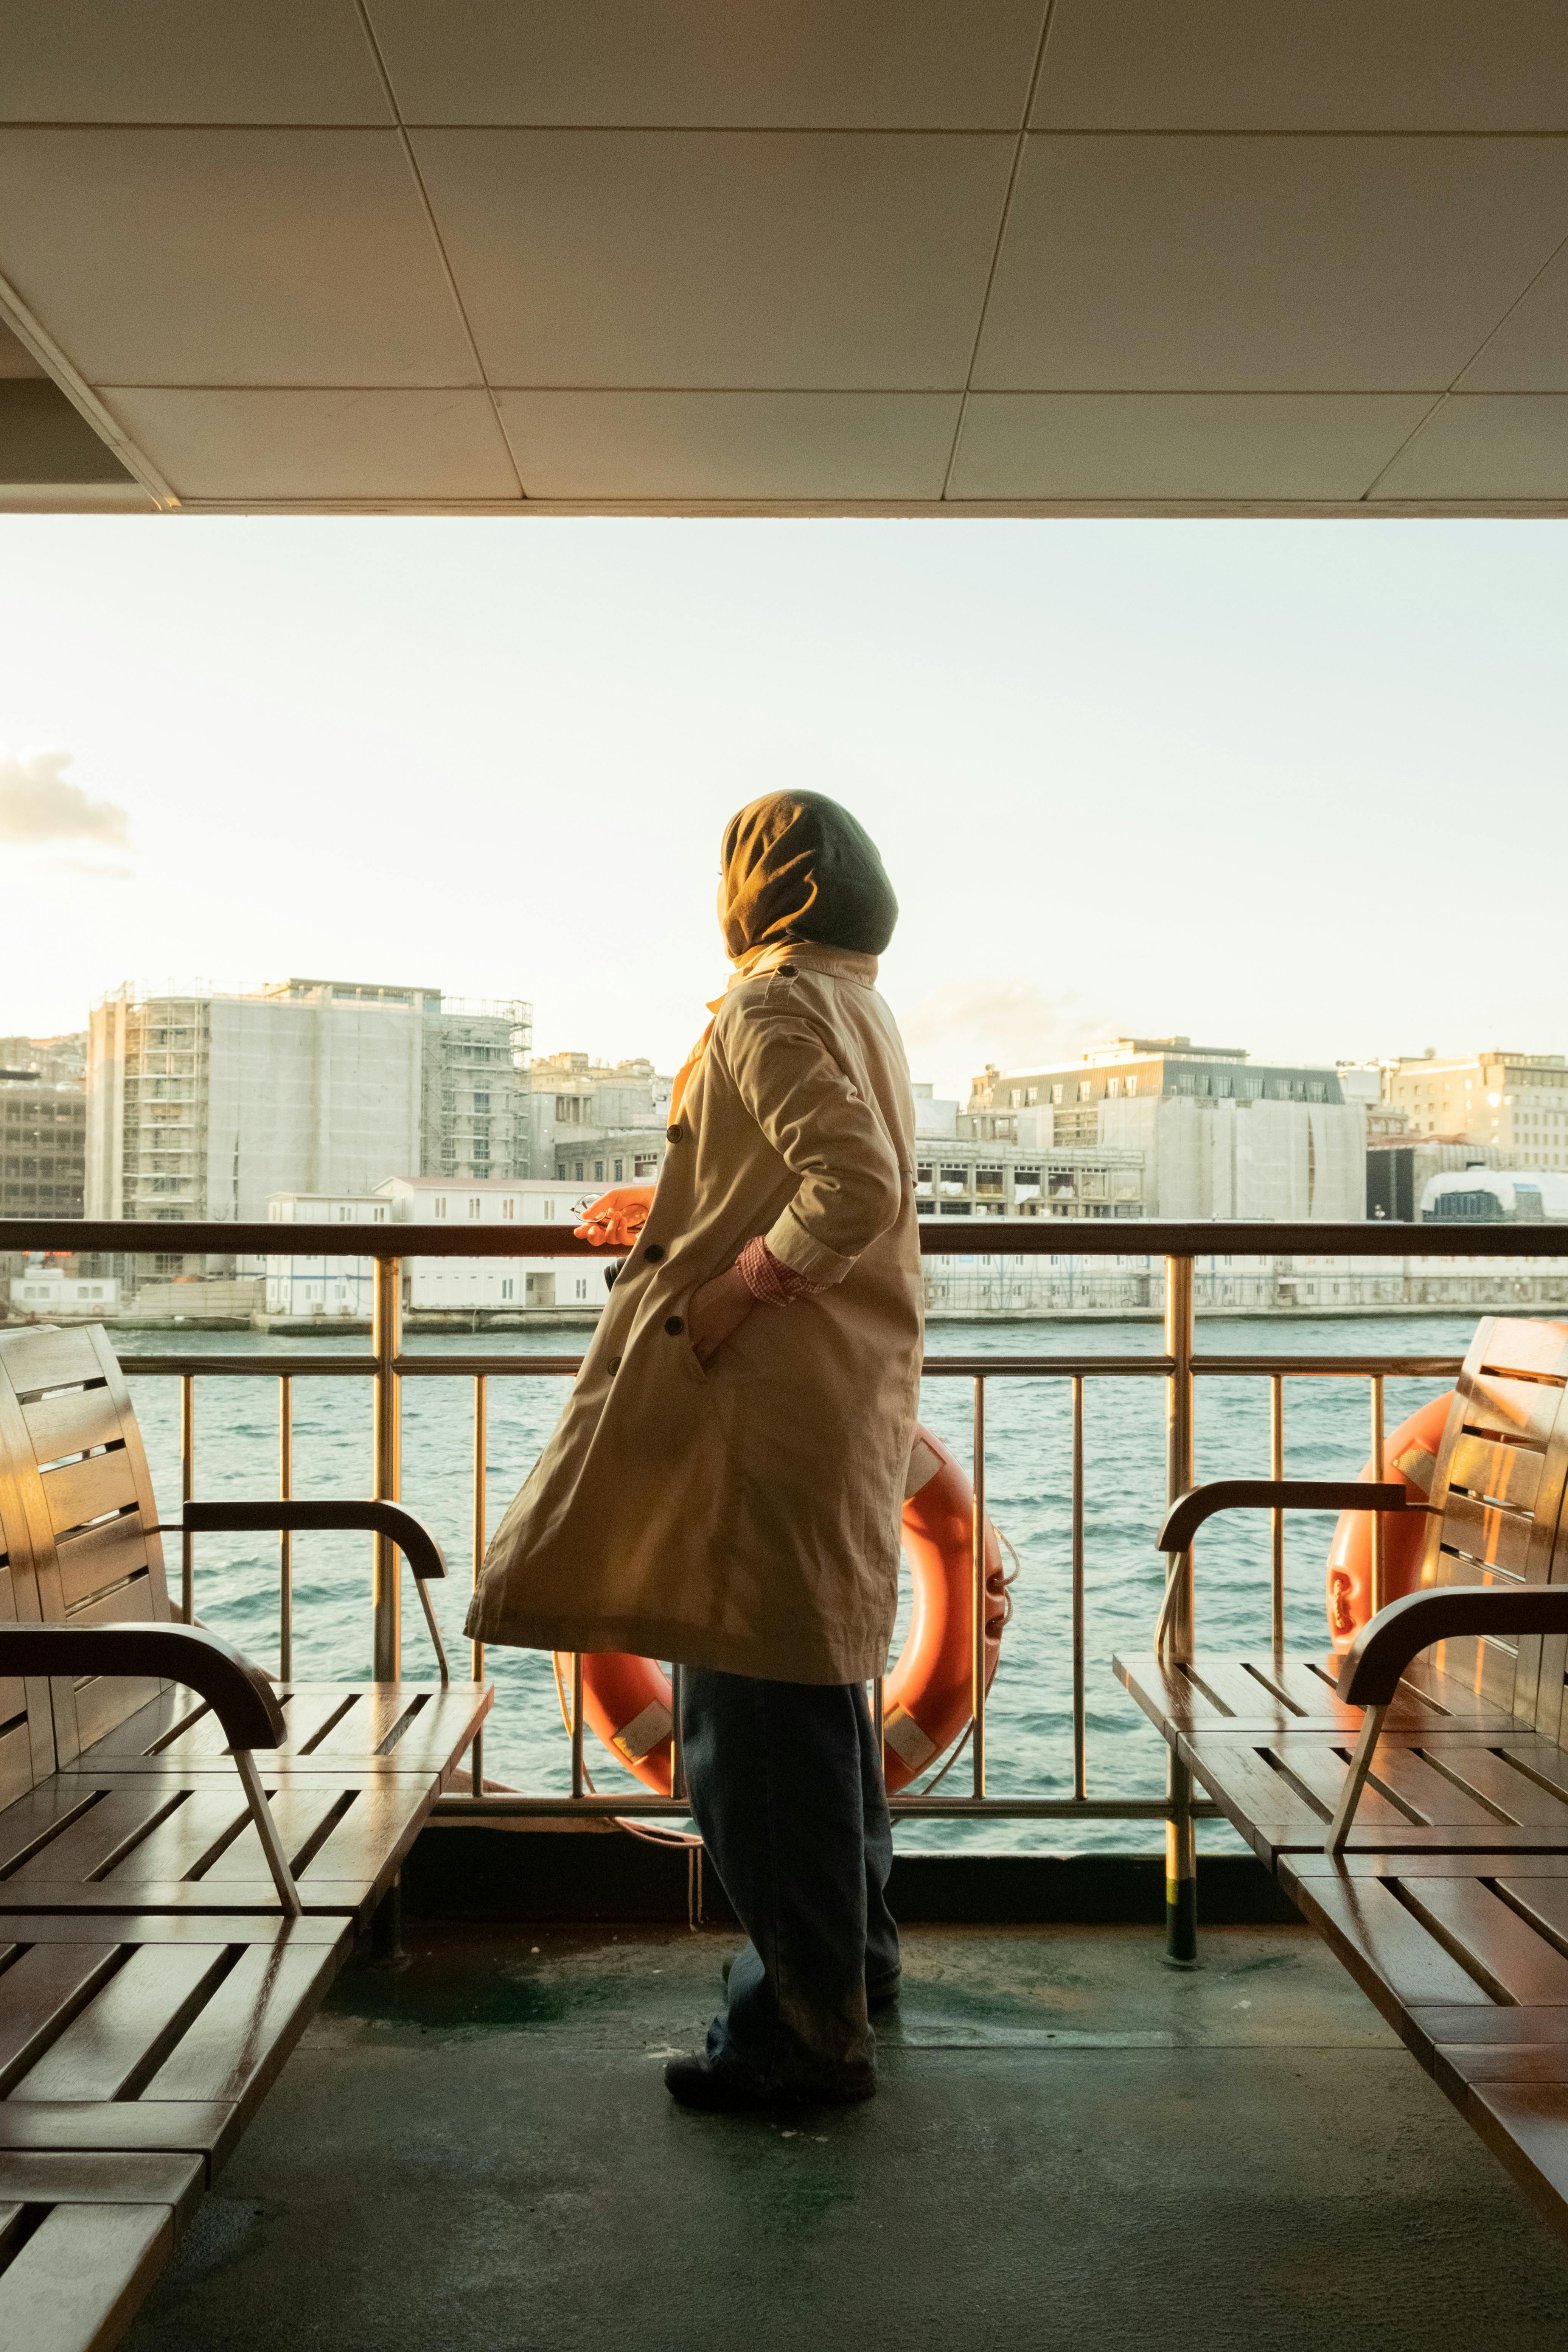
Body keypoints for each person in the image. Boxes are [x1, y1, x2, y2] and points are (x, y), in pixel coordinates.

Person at [466, 789, 923, 2110]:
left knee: (750, 1726)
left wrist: (732, 1288)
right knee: (817, 1697)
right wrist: (667, 1207)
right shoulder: (856, 1000)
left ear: (755, 886)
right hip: (832, 1400)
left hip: (760, 1408)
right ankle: (854, 1970)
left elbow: (853, 1184)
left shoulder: (770, 1003)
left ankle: (801, 2035)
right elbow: (804, 1165)